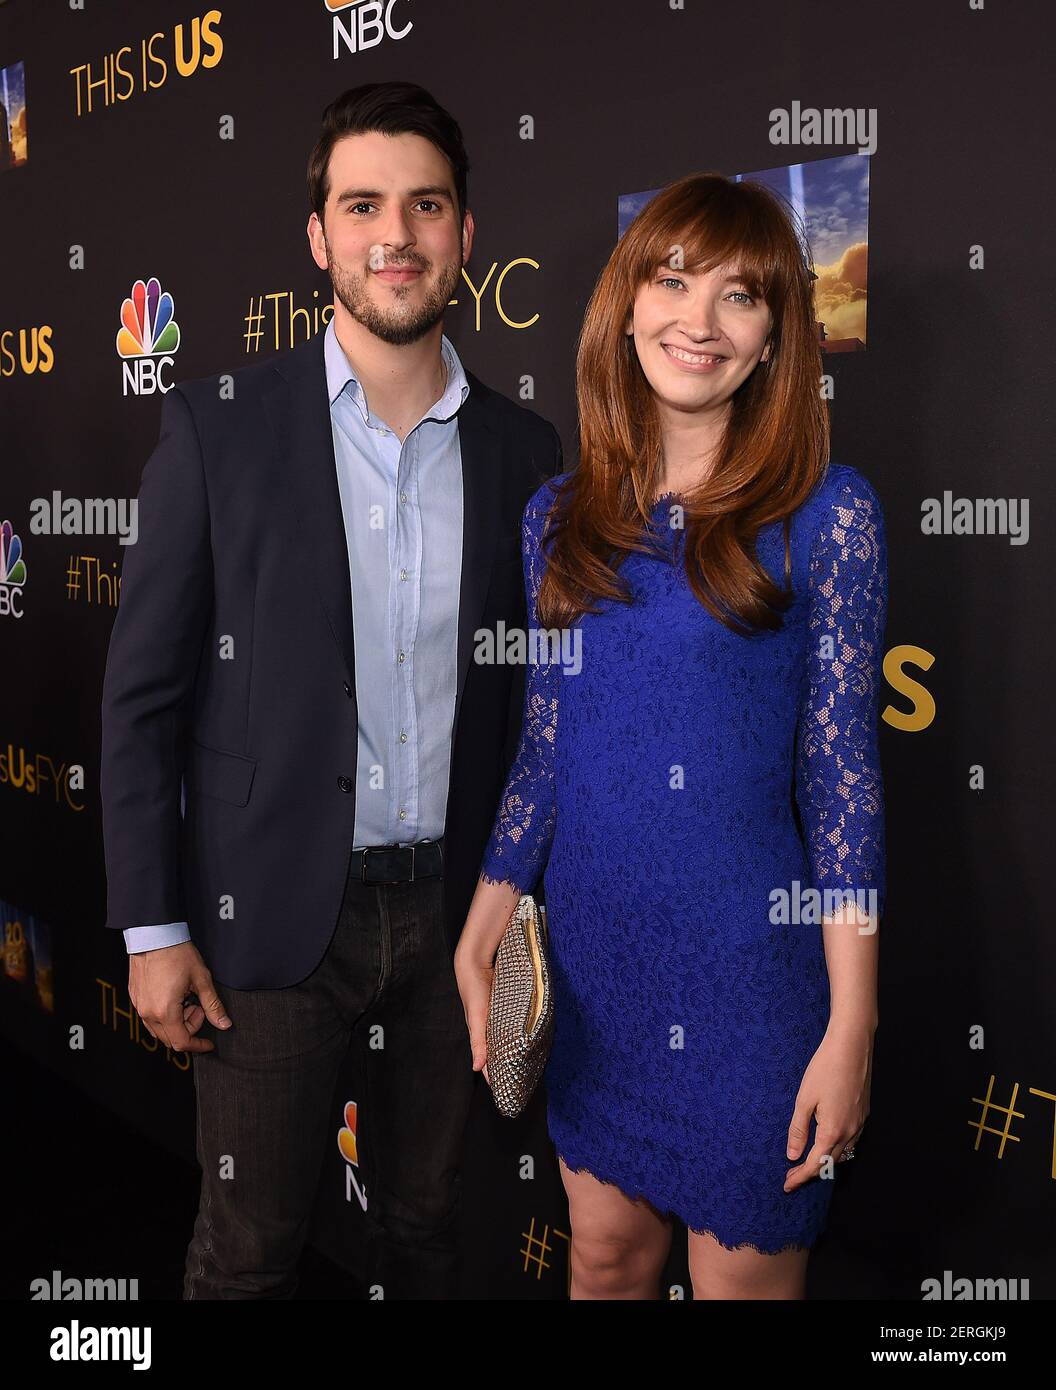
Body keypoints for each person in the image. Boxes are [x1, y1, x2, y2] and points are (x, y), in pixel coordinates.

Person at [99, 81, 562, 1299]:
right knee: (248, 1254)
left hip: (461, 911)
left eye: (426, 204)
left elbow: (540, 709)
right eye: (363, 205)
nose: (394, 235)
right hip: (272, 916)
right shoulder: (218, 430)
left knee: (422, 1234)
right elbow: (141, 701)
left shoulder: (528, 454)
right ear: (319, 238)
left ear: (465, 232)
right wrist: (153, 929)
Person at [455, 172, 888, 1300]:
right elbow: (549, 746)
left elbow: (842, 785)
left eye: (740, 297)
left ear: (773, 340)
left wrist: (853, 1023)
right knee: (599, 1263)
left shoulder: (828, 515)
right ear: (626, 301)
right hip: (597, 975)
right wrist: (488, 912)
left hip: (751, 992)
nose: (699, 320)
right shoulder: (556, 516)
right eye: (674, 277)